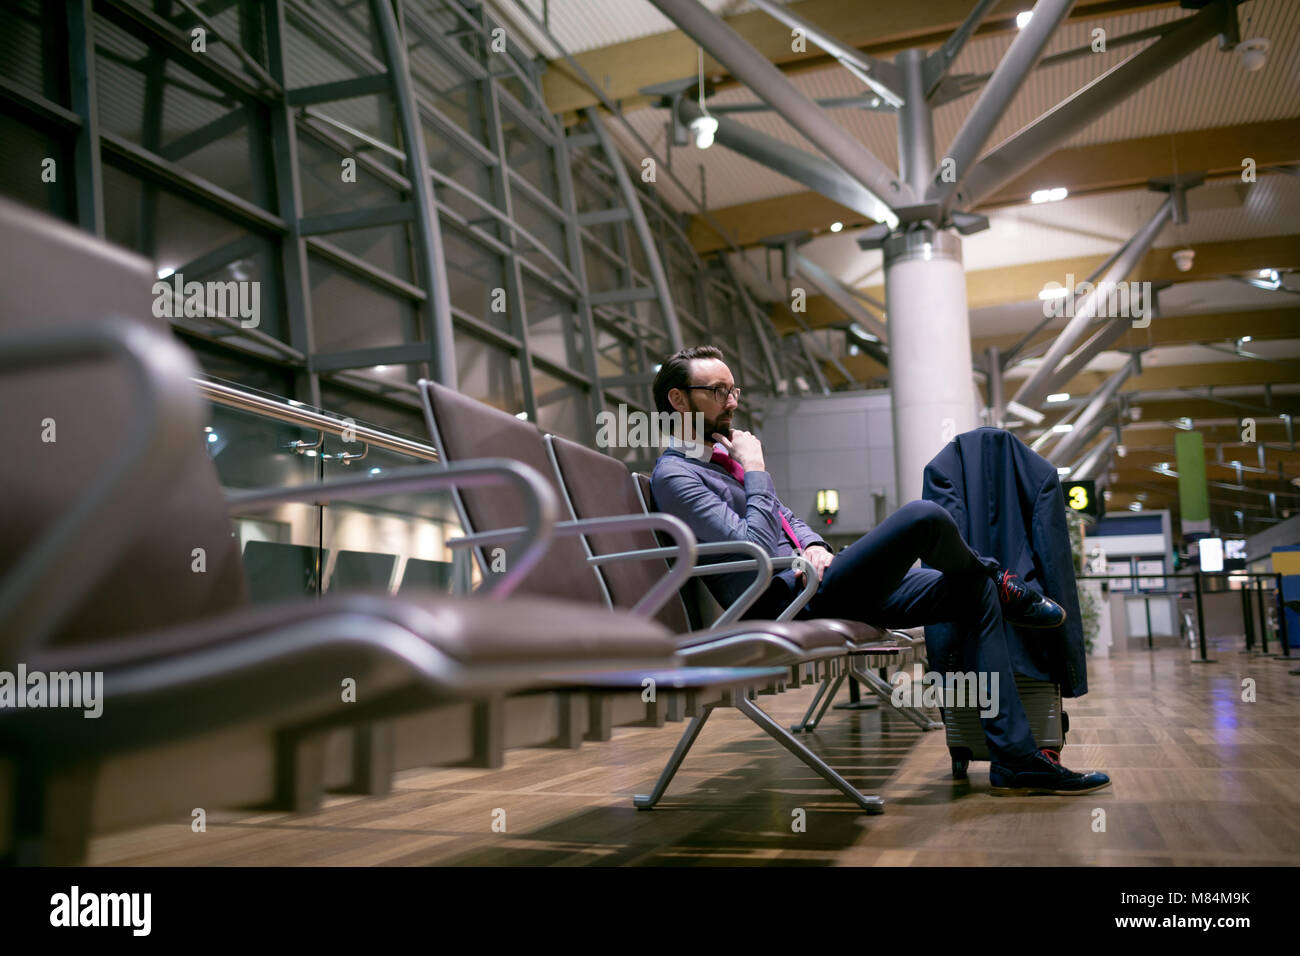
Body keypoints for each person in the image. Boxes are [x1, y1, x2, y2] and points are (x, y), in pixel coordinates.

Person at [650, 345, 1110, 796]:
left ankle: (1014, 759)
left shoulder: (724, 463)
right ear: (678, 400)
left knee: (973, 591)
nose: (732, 402)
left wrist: (813, 545)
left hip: (816, 584)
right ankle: (1002, 580)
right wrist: (756, 471)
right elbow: (751, 546)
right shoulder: (677, 476)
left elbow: (790, 520)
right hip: (780, 603)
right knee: (923, 517)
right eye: (718, 391)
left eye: (734, 390)